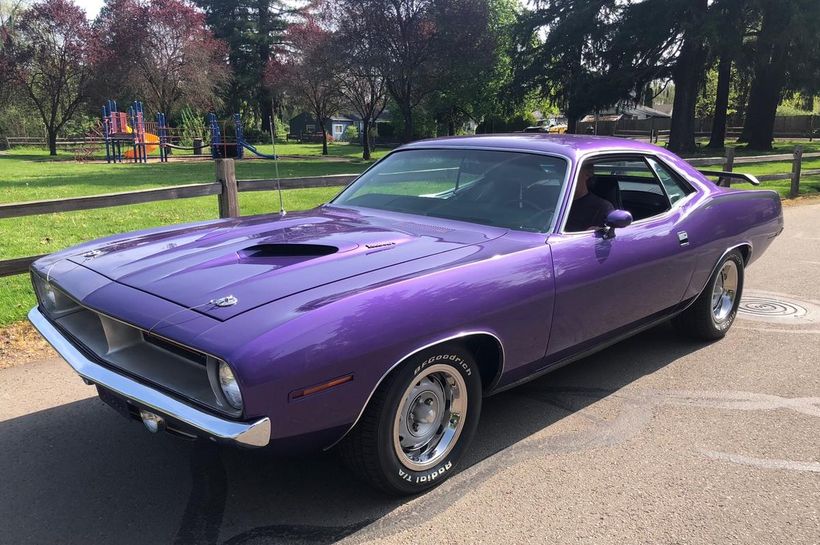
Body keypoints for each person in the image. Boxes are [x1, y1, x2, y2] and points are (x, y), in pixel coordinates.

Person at [565, 164, 614, 232]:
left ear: (588, 174)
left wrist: (591, 233)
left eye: (568, 172)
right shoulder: (550, 202)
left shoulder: (602, 207)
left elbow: (607, 236)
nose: (563, 177)